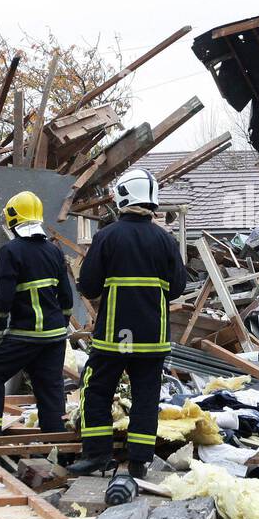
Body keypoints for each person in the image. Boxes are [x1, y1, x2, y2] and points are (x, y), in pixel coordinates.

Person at [69, 167, 186, 478]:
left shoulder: (107, 237)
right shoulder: (166, 241)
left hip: (113, 337)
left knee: (95, 389)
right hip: (153, 338)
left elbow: (89, 286)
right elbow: (176, 288)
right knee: (146, 397)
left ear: (122, 196)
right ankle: (139, 462)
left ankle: (96, 455)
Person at [0, 191, 73, 437]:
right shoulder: (53, 250)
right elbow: (66, 295)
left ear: (13, 220)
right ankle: (55, 444)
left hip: (26, 334)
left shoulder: (11, 251)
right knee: (50, 386)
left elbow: (4, 297)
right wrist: (62, 324)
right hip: (54, 335)